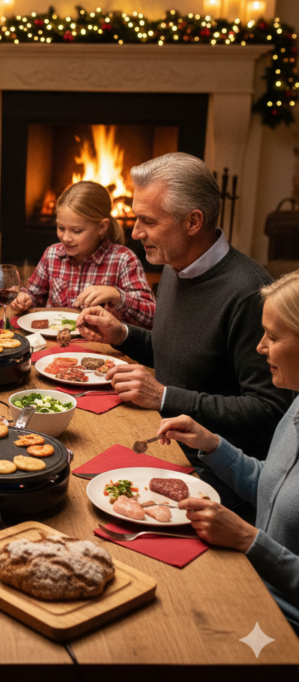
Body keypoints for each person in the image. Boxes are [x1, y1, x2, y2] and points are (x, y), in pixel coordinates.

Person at [76, 153, 291, 513]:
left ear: (193, 221)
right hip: (162, 437)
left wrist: (164, 396)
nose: (135, 232)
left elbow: (269, 410)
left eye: (148, 221)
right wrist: (123, 335)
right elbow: (185, 357)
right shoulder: (176, 264)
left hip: (215, 477)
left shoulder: (248, 293)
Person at [156, 270, 299, 634]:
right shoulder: (297, 403)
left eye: (273, 337)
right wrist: (211, 443)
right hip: (250, 580)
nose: (260, 347)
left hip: (282, 625)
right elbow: (273, 486)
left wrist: (247, 539)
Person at [10, 180, 155, 328]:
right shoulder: (52, 255)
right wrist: (24, 299)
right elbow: (33, 295)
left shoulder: (124, 260)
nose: (66, 238)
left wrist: (117, 296)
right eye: (61, 228)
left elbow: (152, 316)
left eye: (76, 231)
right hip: (54, 337)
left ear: (102, 227)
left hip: (101, 340)